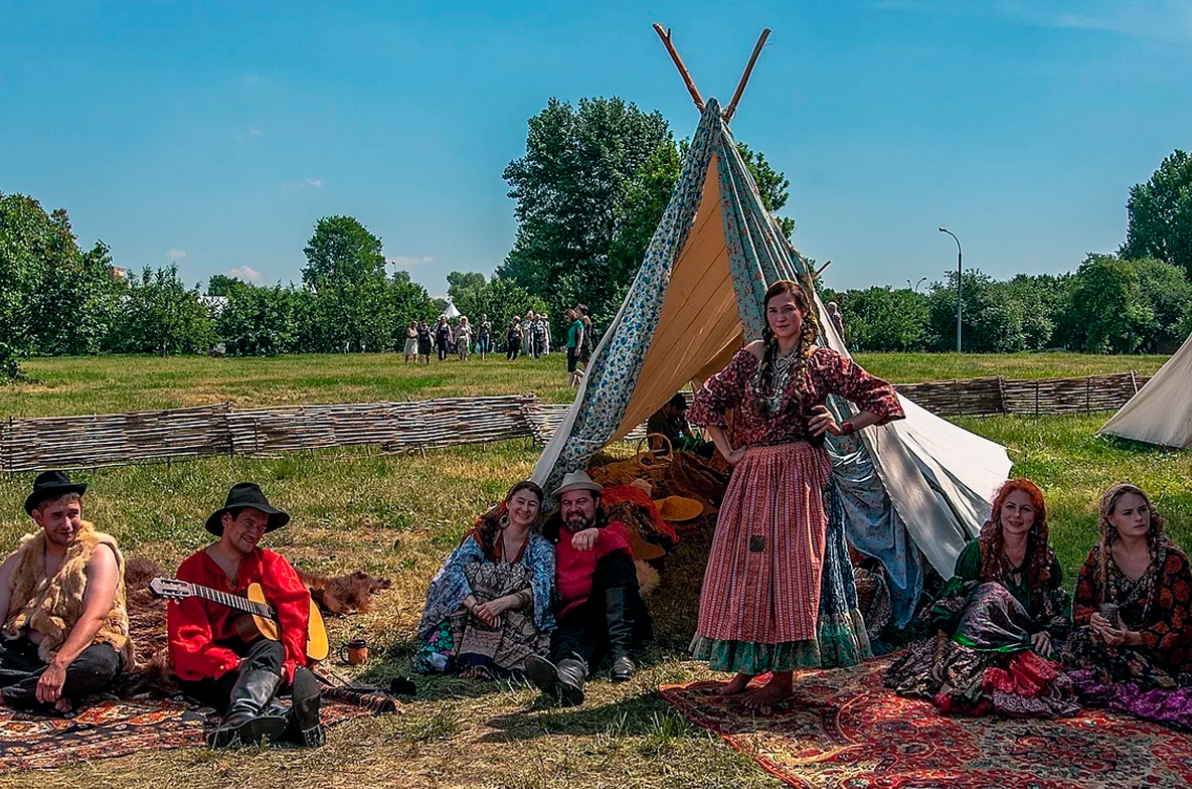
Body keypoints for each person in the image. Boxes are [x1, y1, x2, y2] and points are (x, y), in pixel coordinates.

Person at [686, 279, 903, 709]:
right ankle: (748, 665)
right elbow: (707, 400)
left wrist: (843, 426)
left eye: (788, 309)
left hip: (799, 478)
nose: (781, 318)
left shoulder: (822, 363)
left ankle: (782, 678)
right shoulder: (752, 357)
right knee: (747, 568)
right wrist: (727, 450)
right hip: (753, 476)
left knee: (788, 572)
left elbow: (883, 396)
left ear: (804, 314)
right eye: (773, 311)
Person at [885, 478, 1078, 717]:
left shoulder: (1044, 559)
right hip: (977, 637)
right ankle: (961, 673)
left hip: (1019, 635)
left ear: (1035, 517)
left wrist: (1046, 631)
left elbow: (1056, 606)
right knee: (990, 594)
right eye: (1010, 507)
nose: (1016, 515)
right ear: (999, 511)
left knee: (1050, 678)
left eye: (1025, 509)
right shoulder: (978, 552)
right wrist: (942, 649)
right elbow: (953, 602)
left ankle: (979, 682)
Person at [167, 483, 323, 748]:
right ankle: (285, 720)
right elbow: (188, 638)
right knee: (222, 680)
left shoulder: (270, 564)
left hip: (260, 656)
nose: (254, 534)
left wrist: (292, 662)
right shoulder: (192, 571)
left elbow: (298, 610)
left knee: (272, 649)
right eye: (249, 523)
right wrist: (231, 662)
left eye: (261, 528)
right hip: (210, 661)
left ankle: (238, 720)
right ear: (227, 520)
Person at [0, 471, 133, 714]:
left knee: (98, 666)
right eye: (57, 516)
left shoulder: (98, 553)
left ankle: (11, 695)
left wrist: (60, 665)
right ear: (39, 518)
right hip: (27, 654)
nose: (67, 524)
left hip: (83, 650)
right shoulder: (19, 560)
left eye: (73, 514)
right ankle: (50, 694)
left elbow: (95, 617)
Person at [1061, 483, 1192, 724]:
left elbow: (1180, 627)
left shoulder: (1172, 560)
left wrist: (1133, 637)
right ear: (1111, 519)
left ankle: (1143, 679)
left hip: (1157, 646)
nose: (1139, 518)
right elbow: (1081, 605)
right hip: (1112, 640)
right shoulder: (1100, 556)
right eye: (1128, 513)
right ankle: (1121, 676)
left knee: (1122, 667)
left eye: (1143, 510)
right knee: (1082, 639)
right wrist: (1095, 620)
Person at [525, 471, 650, 707]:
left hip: (619, 608)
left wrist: (597, 534)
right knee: (571, 643)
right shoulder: (551, 537)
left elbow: (621, 544)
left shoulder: (611, 530)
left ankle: (622, 653)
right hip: (578, 615)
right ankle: (567, 680)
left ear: (596, 502)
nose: (574, 508)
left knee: (615, 561)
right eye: (567, 503)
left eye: (581, 501)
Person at [416, 482, 555, 677]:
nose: (524, 509)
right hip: (474, 610)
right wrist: (477, 607)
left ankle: (480, 662)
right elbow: (452, 571)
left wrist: (502, 604)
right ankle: (470, 659)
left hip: (511, 614)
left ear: (538, 511)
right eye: (520, 502)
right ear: (507, 504)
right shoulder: (483, 537)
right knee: (434, 658)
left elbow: (543, 585)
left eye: (532, 505)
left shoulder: (540, 547)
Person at [565, 308, 585, 387]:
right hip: (570, 346)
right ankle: (571, 386)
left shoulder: (578, 323)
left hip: (575, 347)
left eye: (567, 317)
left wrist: (578, 347)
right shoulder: (572, 325)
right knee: (572, 368)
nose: (566, 320)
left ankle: (585, 377)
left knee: (572, 368)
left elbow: (581, 336)